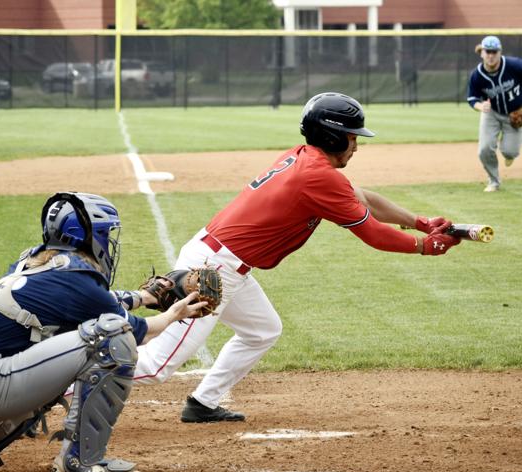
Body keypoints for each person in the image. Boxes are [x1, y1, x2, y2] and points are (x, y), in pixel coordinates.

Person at [134, 92, 462, 423]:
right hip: (214, 270)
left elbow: (363, 199)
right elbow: (374, 234)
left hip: (221, 261)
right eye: (351, 138)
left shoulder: (306, 159)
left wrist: (420, 222)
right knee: (154, 367)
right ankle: (78, 373)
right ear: (332, 136)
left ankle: (203, 403)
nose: (356, 146)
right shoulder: (317, 176)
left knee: (262, 330)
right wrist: (423, 245)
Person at [0, 192, 207, 472]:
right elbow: (138, 330)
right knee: (111, 336)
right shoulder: (76, 278)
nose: (109, 241)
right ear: (88, 236)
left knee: (57, 358)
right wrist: (175, 313)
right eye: (105, 233)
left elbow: (92, 300)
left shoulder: (37, 264)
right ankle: (79, 466)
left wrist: (144, 297)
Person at [467, 35, 522, 192]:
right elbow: (471, 98)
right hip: (491, 113)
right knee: (484, 149)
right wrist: (480, 106)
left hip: (515, 112)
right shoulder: (477, 75)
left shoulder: (514, 65)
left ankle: (509, 154)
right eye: (488, 52)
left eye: (494, 52)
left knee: (509, 151)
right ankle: (493, 181)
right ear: (482, 53)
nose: (491, 55)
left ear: (500, 52)